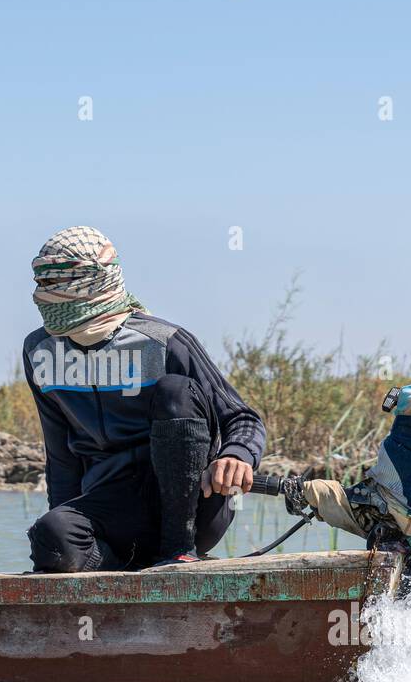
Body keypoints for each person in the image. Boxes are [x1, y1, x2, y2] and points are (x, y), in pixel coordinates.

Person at [23, 226, 265, 571]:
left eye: (58, 281)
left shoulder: (166, 341)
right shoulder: (40, 351)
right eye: (42, 282)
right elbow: (61, 455)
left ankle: (177, 553)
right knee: (49, 534)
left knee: (175, 391)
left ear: (99, 280)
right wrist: (59, 528)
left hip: (194, 507)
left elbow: (242, 419)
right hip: (113, 507)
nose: (45, 291)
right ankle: (122, 567)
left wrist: (237, 455)